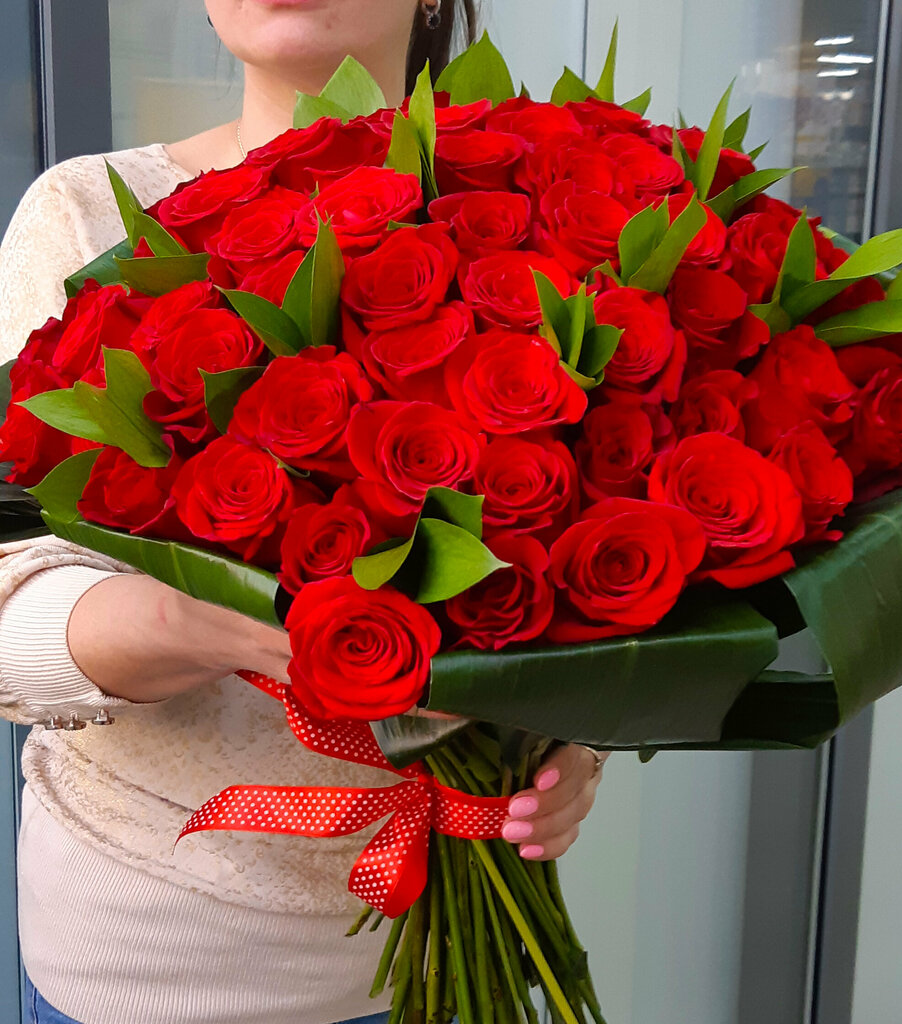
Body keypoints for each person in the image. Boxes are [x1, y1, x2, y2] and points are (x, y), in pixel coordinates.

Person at [0, 2, 607, 1022]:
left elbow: (603, 556)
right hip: (142, 957)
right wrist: (189, 622)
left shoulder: (541, 208)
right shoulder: (90, 217)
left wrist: (565, 740)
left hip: (453, 939)